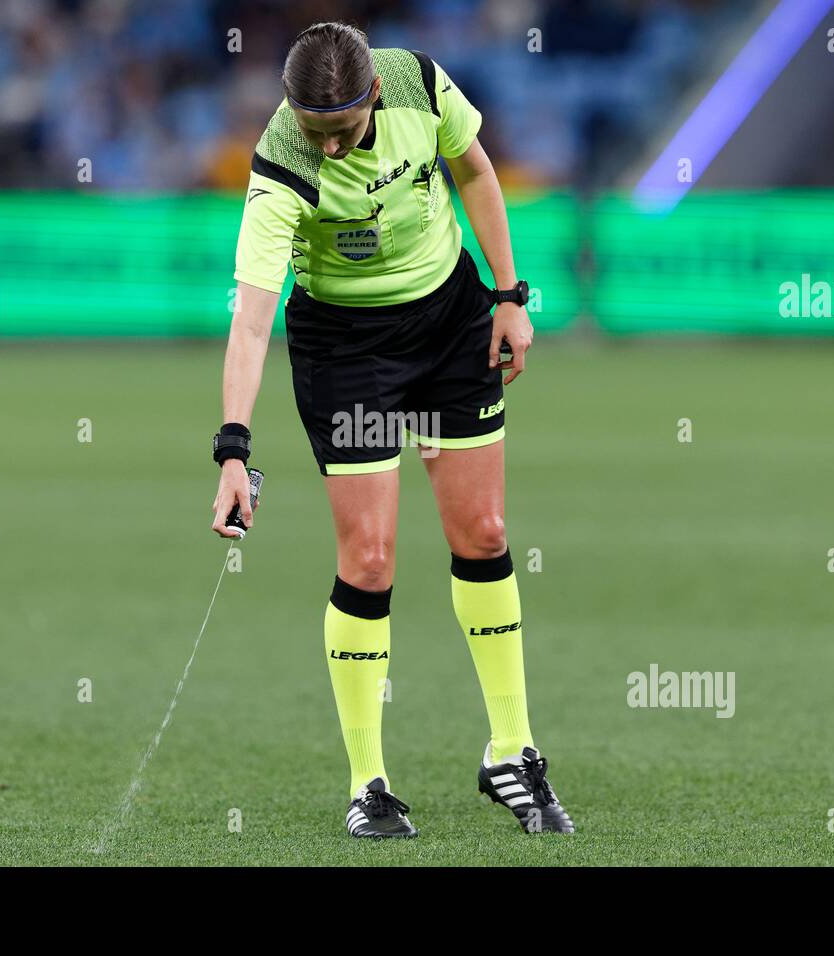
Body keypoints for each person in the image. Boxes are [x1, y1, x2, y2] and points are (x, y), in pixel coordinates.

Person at [211, 22, 573, 838]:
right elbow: (252, 325)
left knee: (483, 533)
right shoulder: (280, 168)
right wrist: (233, 449)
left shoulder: (418, 82)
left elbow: (475, 170)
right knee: (370, 560)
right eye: (314, 131)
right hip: (348, 354)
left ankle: (511, 751)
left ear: (373, 94)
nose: (330, 150)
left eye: (341, 130)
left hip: (450, 324)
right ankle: (368, 780)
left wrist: (509, 295)